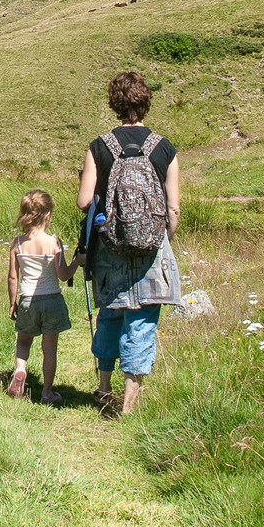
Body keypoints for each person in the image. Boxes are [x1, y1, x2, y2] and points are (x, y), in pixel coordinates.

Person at [75, 70, 183, 415]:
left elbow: (83, 201)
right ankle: (130, 404)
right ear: (146, 102)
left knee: (110, 314)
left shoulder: (99, 146)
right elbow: (174, 208)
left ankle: (103, 390)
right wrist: (160, 237)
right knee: (142, 321)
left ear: (115, 105)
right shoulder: (165, 148)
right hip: (152, 251)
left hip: (110, 249)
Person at [5, 189, 77, 403]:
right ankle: (46, 392)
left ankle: (20, 370)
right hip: (52, 299)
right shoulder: (54, 242)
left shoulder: (17, 243)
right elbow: (63, 275)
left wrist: (12, 302)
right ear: (47, 216)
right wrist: (77, 262)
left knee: (24, 341)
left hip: (27, 299)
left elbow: (12, 277)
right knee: (49, 348)